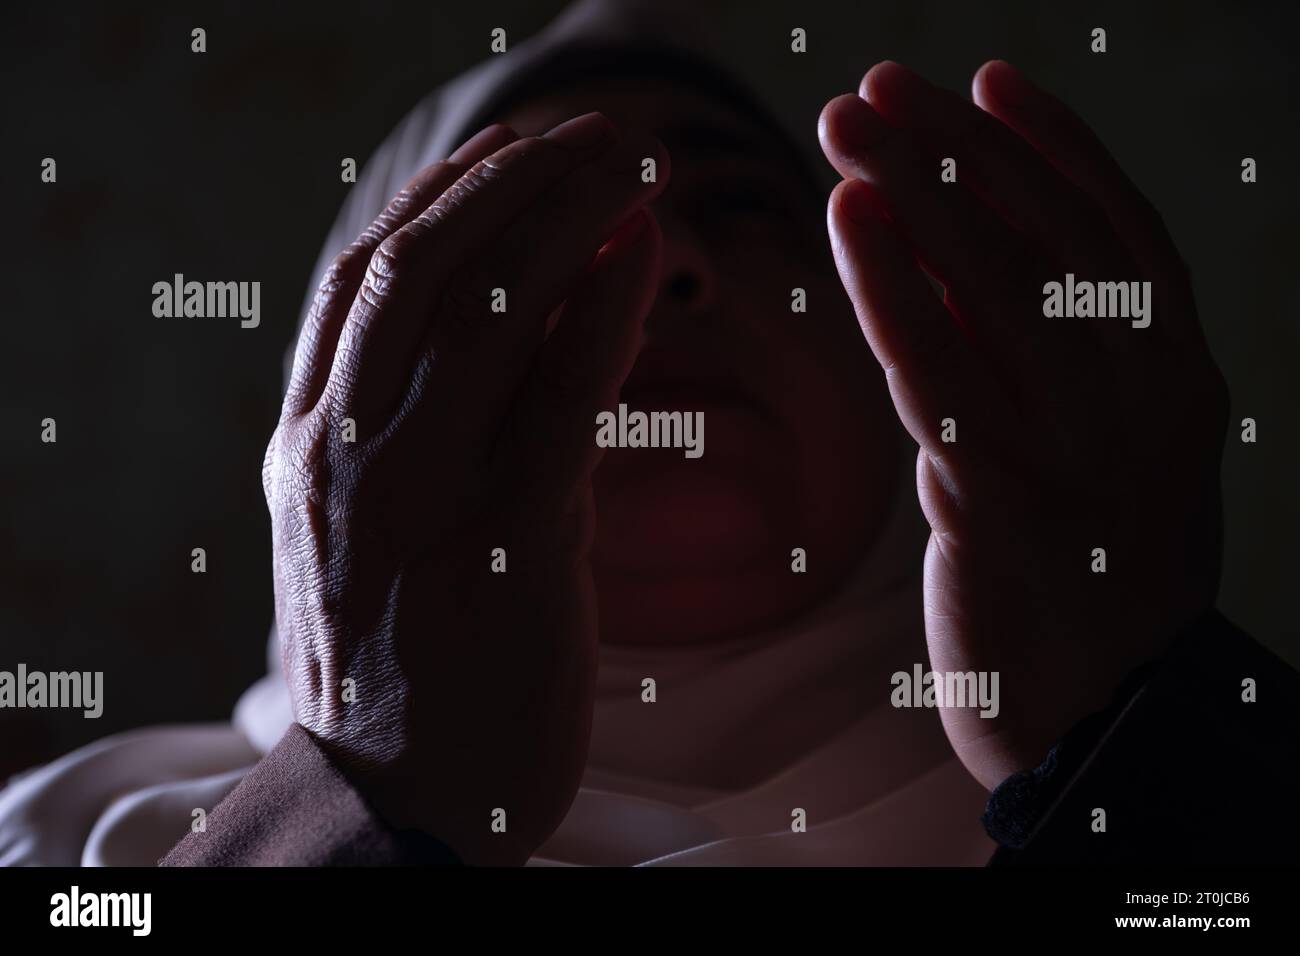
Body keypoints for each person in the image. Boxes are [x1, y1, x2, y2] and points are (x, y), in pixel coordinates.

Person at [3, 0, 1297, 867]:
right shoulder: (73, 845)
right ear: (339, 393)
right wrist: (356, 800)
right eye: (528, 235)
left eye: (740, 206)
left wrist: (1136, 741)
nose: (668, 263)